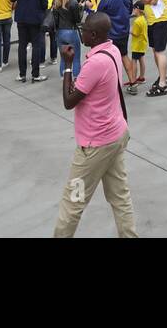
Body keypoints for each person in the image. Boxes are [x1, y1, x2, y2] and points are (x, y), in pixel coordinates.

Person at [53, 13, 137, 238]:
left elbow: (69, 101)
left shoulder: (95, 64)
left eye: (85, 29)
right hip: (115, 136)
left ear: (94, 34)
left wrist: (68, 66)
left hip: (94, 147)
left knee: (73, 201)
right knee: (120, 197)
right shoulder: (112, 51)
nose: (81, 32)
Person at [52, 0, 84, 78]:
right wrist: (81, 8)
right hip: (71, 31)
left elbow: (55, 20)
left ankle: (64, 78)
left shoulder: (56, 1)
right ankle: (75, 78)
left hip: (60, 32)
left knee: (63, 58)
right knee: (75, 58)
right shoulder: (73, 2)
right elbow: (77, 20)